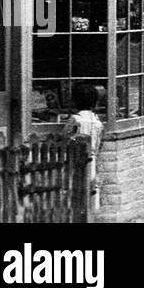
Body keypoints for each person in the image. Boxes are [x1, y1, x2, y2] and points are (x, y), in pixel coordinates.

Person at [66, 83, 104, 211]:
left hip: (76, 158)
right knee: (90, 187)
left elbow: (64, 136)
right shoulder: (97, 121)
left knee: (76, 186)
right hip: (92, 158)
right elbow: (98, 143)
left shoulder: (75, 119)